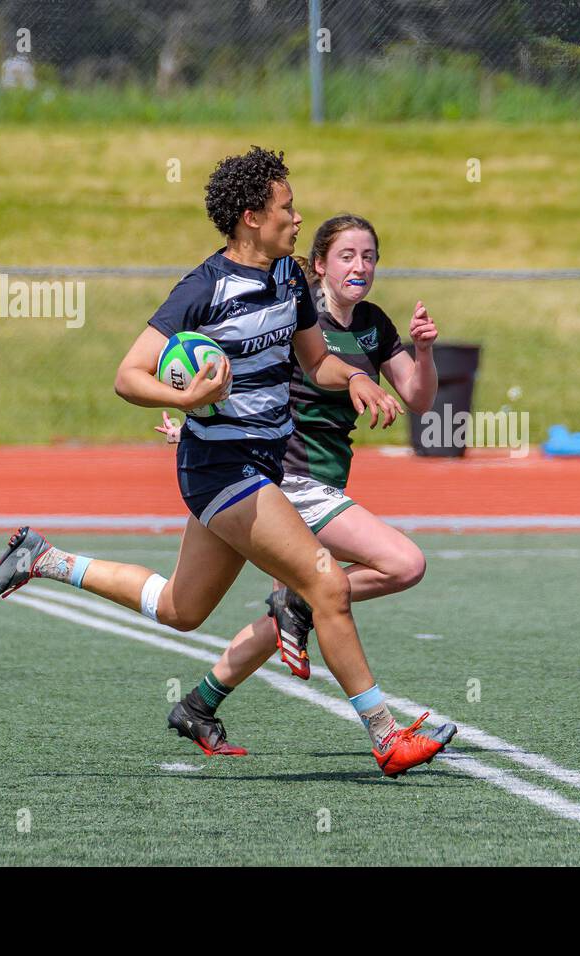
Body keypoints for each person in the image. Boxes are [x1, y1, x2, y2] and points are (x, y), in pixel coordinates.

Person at [0, 146, 455, 778]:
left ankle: (47, 559)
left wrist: (357, 380)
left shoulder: (288, 276)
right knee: (327, 583)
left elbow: (315, 361)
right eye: (288, 206)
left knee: (182, 609)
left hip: (259, 467)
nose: (297, 214)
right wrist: (188, 396)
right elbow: (127, 375)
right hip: (222, 470)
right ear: (253, 216)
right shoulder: (203, 288)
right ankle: (386, 734)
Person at [153, 213, 439, 753]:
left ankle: (198, 704)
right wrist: (193, 418)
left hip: (322, 482)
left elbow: (419, 400)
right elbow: (223, 366)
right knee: (401, 564)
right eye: (348, 256)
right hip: (281, 479)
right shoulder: (289, 313)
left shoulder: (373, 324)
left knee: (199, 607)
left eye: (370, 256)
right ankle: (384, 734)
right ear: (321, 264)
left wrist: (422, 352)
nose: (361, 266)